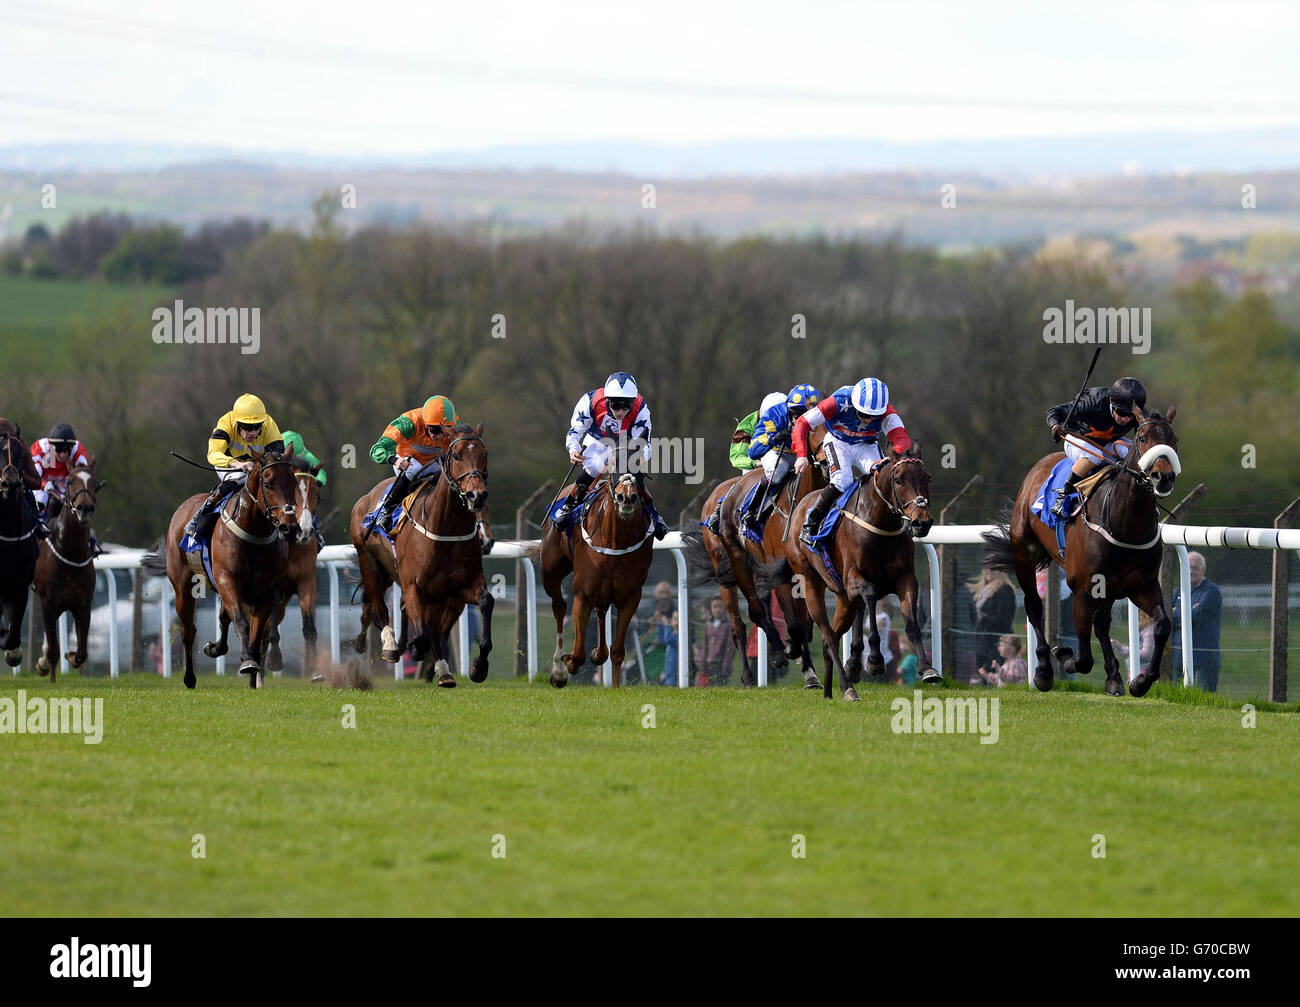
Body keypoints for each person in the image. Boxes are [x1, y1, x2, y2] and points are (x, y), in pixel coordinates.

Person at [793, 377, 912, 546]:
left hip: (866, 445)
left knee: (883, 476)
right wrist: (801, 455)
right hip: (838, 442)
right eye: (864, 414)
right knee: (843, 480)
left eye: (873, 416)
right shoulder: (838, 401)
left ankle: (898, 520)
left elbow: (900, 437)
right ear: (855, 405)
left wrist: (900, 456)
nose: (869, 420)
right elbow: (803, 422)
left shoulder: (887, 410)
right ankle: (811, 521)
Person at [552, 371, 668, 540]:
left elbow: (643, 442)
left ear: (633, 402)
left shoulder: (641, 408)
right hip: (598, 440)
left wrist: (641, 458)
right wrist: (573, 449)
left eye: (625, 407)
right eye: (615, 406)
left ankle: (653, 514)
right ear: (607, 401)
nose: (620, 412)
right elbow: (575, 431)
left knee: (633, 470)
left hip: (626, 442)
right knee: (594, 465)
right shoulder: (590, 401)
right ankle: (569, 505)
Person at [185, 393, 285, 538]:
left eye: (256, 427)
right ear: (237, 423)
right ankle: (200, 515)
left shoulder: (269, 425)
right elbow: (213, 454)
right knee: (237, 478)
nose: (252, 432)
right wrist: (236, 463)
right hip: (229, 464)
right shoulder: (226, 423)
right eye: (246, 427)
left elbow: (277, 457)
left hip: (257, 466)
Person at [1046, 376, 1146, 518]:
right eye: (1122, 413)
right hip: (1076, 440)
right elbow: (1054, 411)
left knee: (1135, 454)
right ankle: (1062, 497)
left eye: (1131, 416)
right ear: (1111, 402)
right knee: (1094, 454)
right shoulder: (1093, 401)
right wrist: (1055, 425)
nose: (1126, 419)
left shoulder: (1139, 414)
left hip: (1107, 444)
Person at [363, 394, 458, 536]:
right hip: (407, 460)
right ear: (425, 424)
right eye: (435, 430)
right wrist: (395, 460)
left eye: (444, 430)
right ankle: (385, 511)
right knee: (414, 469)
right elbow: (376, 450)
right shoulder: (408, 423)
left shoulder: (454, 426)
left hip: (435, 461)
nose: (439, 436)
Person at [738, 383, 821, 535]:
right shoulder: (775, 414)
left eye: (807, 417)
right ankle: (751, 509)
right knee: (779, 469)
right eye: (796, 417)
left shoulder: (821, 417)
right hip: (776, 452)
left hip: (800, 455)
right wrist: (775, 437)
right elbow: (753, 450)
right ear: (788, 411)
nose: (801, 422)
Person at [1171, 551, 1223, 692]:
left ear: (1203, 570)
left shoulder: (1212, 591)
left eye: (1195, 568)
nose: (1191, 571)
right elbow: (1169, 619)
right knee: (1178, 699)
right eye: (1188, 567)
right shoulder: (1178, 592)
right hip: (1179, 658)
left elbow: (1197, 616)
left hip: (1205, 659)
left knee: (1204, 700)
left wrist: (1177, 612)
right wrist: (1187, 613)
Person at [0, 417, 47, 537]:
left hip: (17, 486)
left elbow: (37, 482)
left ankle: (38, 524)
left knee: (29, 495)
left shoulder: (21, 445)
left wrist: (19, 475)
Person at [969, 567, 1015, 682]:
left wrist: (983, 619)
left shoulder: (1005, 590)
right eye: (986, 568)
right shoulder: (983, 590)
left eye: (993, 567)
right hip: (981, 641)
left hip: (995, 643)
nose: (989, 570)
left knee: (994, 678)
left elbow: (1004, 618)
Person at [701, 596, 736, 686]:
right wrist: (703, 663)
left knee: (720, 686)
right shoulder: (708, 625)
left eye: (720, 607)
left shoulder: (728, 626)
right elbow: (705, 645)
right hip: (709, 663)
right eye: (715, 607)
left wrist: (726, 666)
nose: (718, 609)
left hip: (721, 664)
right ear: (711, 609)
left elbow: (730, 648)